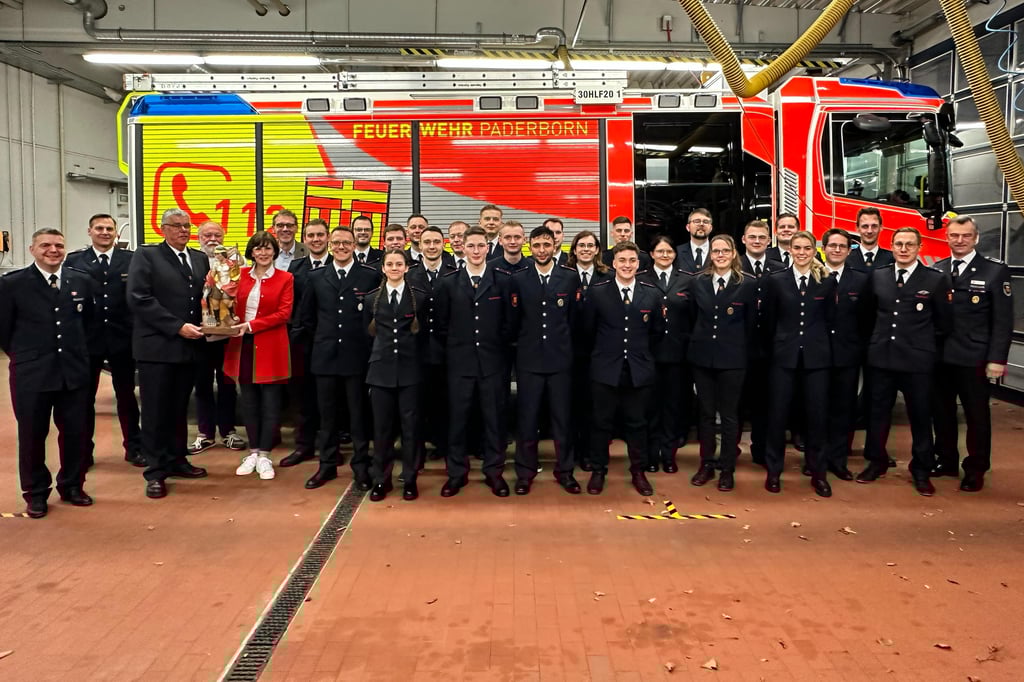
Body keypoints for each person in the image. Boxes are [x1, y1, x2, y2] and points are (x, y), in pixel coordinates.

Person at [0, 228, 95, 518]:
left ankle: (72, 486)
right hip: (32, 373)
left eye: (58, 245)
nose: (52, 250)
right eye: (45, 245)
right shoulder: (12, 284)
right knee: (32, 435)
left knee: (76, 433)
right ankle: (36, 493)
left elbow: (88, 326)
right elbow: (4, 330)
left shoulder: (81, 280)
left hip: (74, 373)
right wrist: (27, 355)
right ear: (32, 250)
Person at [857, 227, 952, 496]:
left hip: (917, 362)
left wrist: (920, 344)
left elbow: (944, 323)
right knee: (877, 415)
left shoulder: (935, 279)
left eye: (910, 244)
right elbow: (865, 316)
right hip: (882, 358)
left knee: (920, 416)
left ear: (919, 247)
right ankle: (876, 462)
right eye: (899, 243)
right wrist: (874, 342)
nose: (903, 248)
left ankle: (921, 469)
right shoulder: (878, 276)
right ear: (892, 245)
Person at [127, 208, 211, 499]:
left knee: (178, 410)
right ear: (163, 229)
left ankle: (177, 460)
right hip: (158, 348)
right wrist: (176, 327)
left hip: (190, 348)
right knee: (154, 412)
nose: (184, 231)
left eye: (187, 226)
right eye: (177, 226)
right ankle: (155, 472)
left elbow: (207, 296)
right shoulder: (146, 256)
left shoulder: (199, 258)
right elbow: (139, 298)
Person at [931, 215, 1013, 491]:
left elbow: (1003, 321)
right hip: (941, 358)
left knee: (976, 416)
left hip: (974, 358)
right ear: (947, 237)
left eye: (966, 235)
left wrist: (997, 359)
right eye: (954, 235)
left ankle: (976, 468)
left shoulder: (994, 271)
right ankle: (946, 459)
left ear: (975, 238)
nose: (960, 240)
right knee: (941, 413)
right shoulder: (938, 269)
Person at [298, 226, 382, 491]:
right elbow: (307, 318)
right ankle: (326, 465)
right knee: (328, 415)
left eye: (347, 242)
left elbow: (376, 316)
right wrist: (322, 342)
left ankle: (360, 467)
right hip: (325, 357)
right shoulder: (316, 276)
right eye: (337, 242)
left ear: (354, 243)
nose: (342, 247)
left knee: (358, 415)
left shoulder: (369, 275)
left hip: (357, 357)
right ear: (330, 245)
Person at [434, 226, 515, 497]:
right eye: (472, 246)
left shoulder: (502, 280)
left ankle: (494, 473)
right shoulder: (448, 282)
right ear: (462, 248)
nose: (477, 251)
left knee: (495, 421)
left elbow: (509, 323)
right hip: (460, 364)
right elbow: (442, 325)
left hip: (493, 364)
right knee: (457, 421)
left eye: (481, 246)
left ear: (488, 248)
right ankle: (457, 474)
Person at [583, 241, 662, 496]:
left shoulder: (651, 292)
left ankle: (638, 471)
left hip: (638, 369)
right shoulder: (597, 292)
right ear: (613, 264)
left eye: (632, 261)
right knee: (600, 423)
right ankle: (598, 470)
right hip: (605, 368)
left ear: (638, 264)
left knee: (637, 423)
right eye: (622, 261)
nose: (627, 265)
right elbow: (587, 330)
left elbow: (657, 333)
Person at [65, 213, 144, 468]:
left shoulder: (131, 260)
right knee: (84, 399)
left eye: (109, 228)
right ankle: (83, 452)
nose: (105, 232)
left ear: (116, 234)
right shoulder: (75, 260)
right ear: (89, 232)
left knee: (127, 397)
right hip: (88, 340)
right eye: (99, 228)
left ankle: (134, 448)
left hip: (122, 339)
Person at [761, 231, 837, 497]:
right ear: (790, 250)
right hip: (783, 357)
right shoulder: (776, 280)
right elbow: (768, 320)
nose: (802, 252)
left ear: (814, 250)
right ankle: (773, 471)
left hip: (817, 359)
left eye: (807, 247)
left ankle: (818, 474)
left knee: (817, 417)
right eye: (797, 247)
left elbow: (830, 320)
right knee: (777, 415)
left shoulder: (826, 280)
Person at [509, 225, 582, 495]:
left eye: (546, 245)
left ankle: (566, 472)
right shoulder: (518, 278)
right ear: (530, 247)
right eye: (537, 245)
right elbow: (513, 322)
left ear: (555, 247)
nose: (542, 250)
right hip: (528, 361)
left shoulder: (569, 278)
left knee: (562, 419)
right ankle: (525, 473)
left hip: (560, 361)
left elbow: (575, 320)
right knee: (527, 419)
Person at [688, 235, 758, 492]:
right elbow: (693, 318)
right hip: (702, 357)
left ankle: (727, 468)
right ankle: (706, 464)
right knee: (706, 415)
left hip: (733, 358)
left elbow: (751, 325)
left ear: (733, 254)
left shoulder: (747, 284)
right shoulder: (699, 282)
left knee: (729, 415)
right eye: (715, 251)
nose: (719, 255)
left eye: (724, 251)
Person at [224, 232, 294, 481]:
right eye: (258, 249)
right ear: (251, 252)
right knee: (249, 401)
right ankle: (253, 452)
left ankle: (265, 454)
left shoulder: (286, 278)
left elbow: (284, 313)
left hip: (271, 345)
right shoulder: (239, 276)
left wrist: (252, 326)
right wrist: (228, 318)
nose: (263, 253)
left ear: (275, 252)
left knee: (271, 403)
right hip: (241, 345)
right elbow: (226, 303)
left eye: (268, 249)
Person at [363, 250, 430, 502]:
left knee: (411, 428)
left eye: (398, 264)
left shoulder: (419, 299)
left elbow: (424, 336)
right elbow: (366, 335)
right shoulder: (371, 300)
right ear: (382, 268)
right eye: (389, 264)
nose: (394, 267)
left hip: (410, 372)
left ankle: (410, 479)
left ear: (406, 267)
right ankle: (382, 479)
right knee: (382, 430)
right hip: (380, 372)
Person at [188, 221, 246, 456]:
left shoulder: (235, 263)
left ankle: (229, 431)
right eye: (207, 235)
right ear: (199, 237)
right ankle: (205, 433)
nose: (212, 239)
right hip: (200, 334)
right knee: (201, 385)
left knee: (228, 384)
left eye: (217, 235)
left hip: (227, 334)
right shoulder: (191, 261)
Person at [638, 235, 694, 474]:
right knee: (650, 408)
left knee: (673, 407)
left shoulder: (688, 280)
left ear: (674, 254)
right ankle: (651, 455)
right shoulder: (641, 279)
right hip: (648, 354)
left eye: (668, 252)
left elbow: (694, 317)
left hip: (678, 356)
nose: (664, 255)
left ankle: (669, 455)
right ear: (651, 254)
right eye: (660, 251)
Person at [821, 228, 871, 481]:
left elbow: (866, 319)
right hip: (816, 355)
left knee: (844, 410)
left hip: (848, 355)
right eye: (833, 245)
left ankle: (838, 460)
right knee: (816, 409)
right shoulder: (812, 275)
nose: (837, 250)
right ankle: (816, 460)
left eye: (843, 246)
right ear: (824, 248)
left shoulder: (862, 280)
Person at [282, 218, 332, 467]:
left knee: (329, 399)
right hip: (301, 344)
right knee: (301, 397)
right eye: (311, 235)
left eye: (320, 235)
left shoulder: (338, 264)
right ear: (305, 238)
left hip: (331, 343)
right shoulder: (295, 268)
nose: (316, 239)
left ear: (328, 237)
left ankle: (329, 448)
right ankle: (303, 446)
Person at [406, 226, 457, 469]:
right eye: (427, 242)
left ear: (443, 244)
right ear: (420, 244)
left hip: (448, 351)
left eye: (437, 241)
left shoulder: (454, 273)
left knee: (446, 403)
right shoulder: (409, 274)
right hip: (417, 351)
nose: (432, 246)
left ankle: (445, 448)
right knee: (417, 404)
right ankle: (417, 452)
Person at [739, 220, 785, 468]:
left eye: (762, 237)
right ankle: (729, 453)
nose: (757, 241)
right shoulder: (734, 266)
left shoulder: (779, 270)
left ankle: (761, 451)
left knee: (764, 404)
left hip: (769, 349)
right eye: (752, 237)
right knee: (734, 405)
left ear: (769, 241)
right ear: (744, 239)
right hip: (738, 348)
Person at [566, 230, 611, 471]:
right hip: (570, 352)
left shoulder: (608, 276)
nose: (585, 249)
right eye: (581, 245)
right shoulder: (565, 276)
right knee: (573, 404)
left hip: (600, 352)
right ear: (573, 250)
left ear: (597, 250)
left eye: (590, 245)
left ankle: (591, 454)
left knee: (595, 407)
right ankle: (573, 451)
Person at [675, 209, 713, 273]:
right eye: (697, 221)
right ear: (688, 227)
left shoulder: (718, 252)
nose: (701, 224)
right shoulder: (677, 252)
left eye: (705, 221)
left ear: (711, 228)